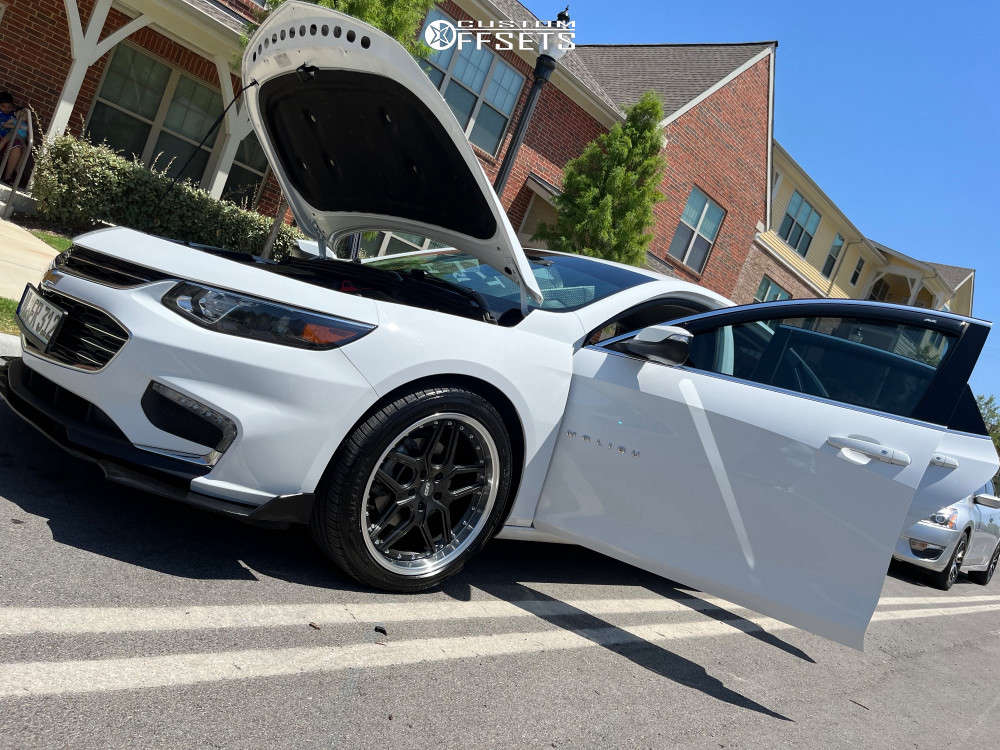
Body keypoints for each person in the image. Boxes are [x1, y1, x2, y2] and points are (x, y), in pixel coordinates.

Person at [0, 91, 29, 185]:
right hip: (3, 137)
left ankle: (8, 177)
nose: (6, 109)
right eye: (3, 106)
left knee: (17, 147)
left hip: (12, 138)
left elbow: (23, 121)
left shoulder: (15, 114)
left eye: (9, 107)